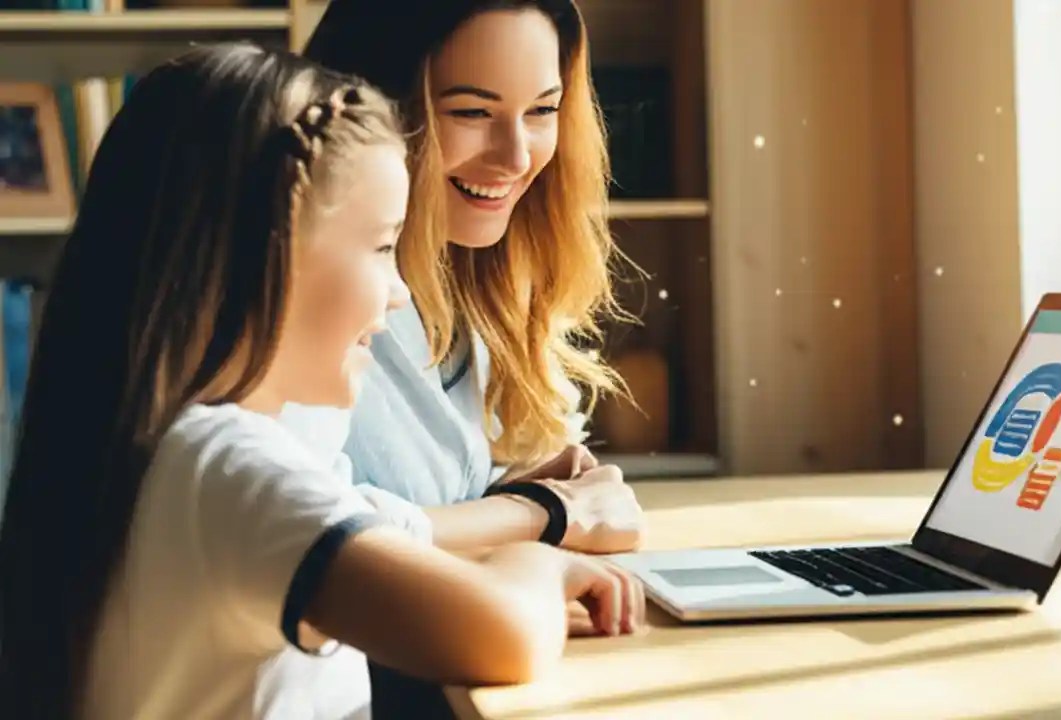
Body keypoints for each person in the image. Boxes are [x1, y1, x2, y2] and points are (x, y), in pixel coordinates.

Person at [0, 44, 643, 719]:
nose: (398, 294)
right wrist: (541, 561)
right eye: (381, 247)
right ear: (263, 255)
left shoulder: (155, 448)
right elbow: (501, 637)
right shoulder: (226, 469)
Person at [297, 0, 644, 554]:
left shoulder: (471, 280)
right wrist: (543, 512)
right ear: (374, 112)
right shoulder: (297, 292)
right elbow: (301, 527)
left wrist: (504, 487)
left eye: (541, 111)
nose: (515, 157)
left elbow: (418, 501)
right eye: (471, 113)